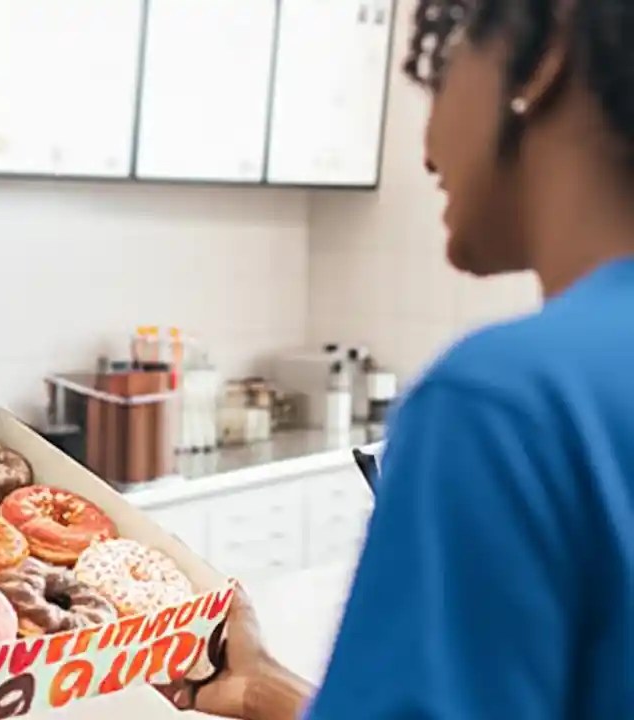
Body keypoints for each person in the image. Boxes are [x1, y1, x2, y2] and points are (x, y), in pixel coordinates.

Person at [161, 0, 634, 718]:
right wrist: (265, 694)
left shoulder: (507, 402)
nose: (425, 148)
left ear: (543, 60)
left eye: (439, 69)